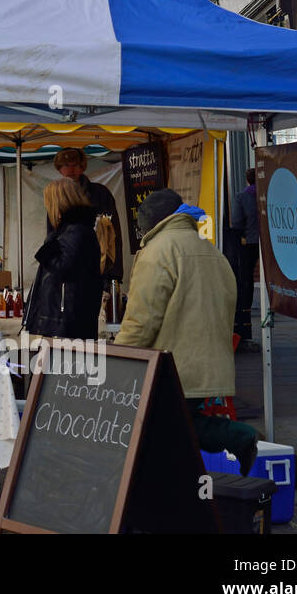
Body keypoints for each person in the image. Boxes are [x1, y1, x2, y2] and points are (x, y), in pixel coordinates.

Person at [115, 189, 259, 474]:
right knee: (175, 423)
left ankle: (237, 437)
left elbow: (142, 318)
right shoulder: (208, 249)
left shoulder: (157, 251)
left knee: (164, 424)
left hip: (173, 360)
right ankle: (185, 488)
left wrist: (120, 355)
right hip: (205, 359)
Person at [22, 179, 103, 339]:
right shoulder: (75, 229)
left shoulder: (76, 231)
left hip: (64, 322)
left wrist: (49, 242)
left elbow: (63, 268)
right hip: (65, 318)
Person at [53, 148, 123, 286]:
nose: (71, 169)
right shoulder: (56, 197)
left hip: (99, 269)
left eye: (76, 165)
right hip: (69, 273)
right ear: (59, 169)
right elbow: (52, 236)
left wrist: (114, 273)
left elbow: (113, 235)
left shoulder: (101, 194)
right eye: (66, 165)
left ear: (82, 167)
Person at [230, 168, 260, 352]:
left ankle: (246, 308)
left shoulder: (242, 196)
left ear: (247, 180)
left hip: (248, 241)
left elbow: (236, 220)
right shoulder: (267, 194)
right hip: (267, 240)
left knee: (246, 277)